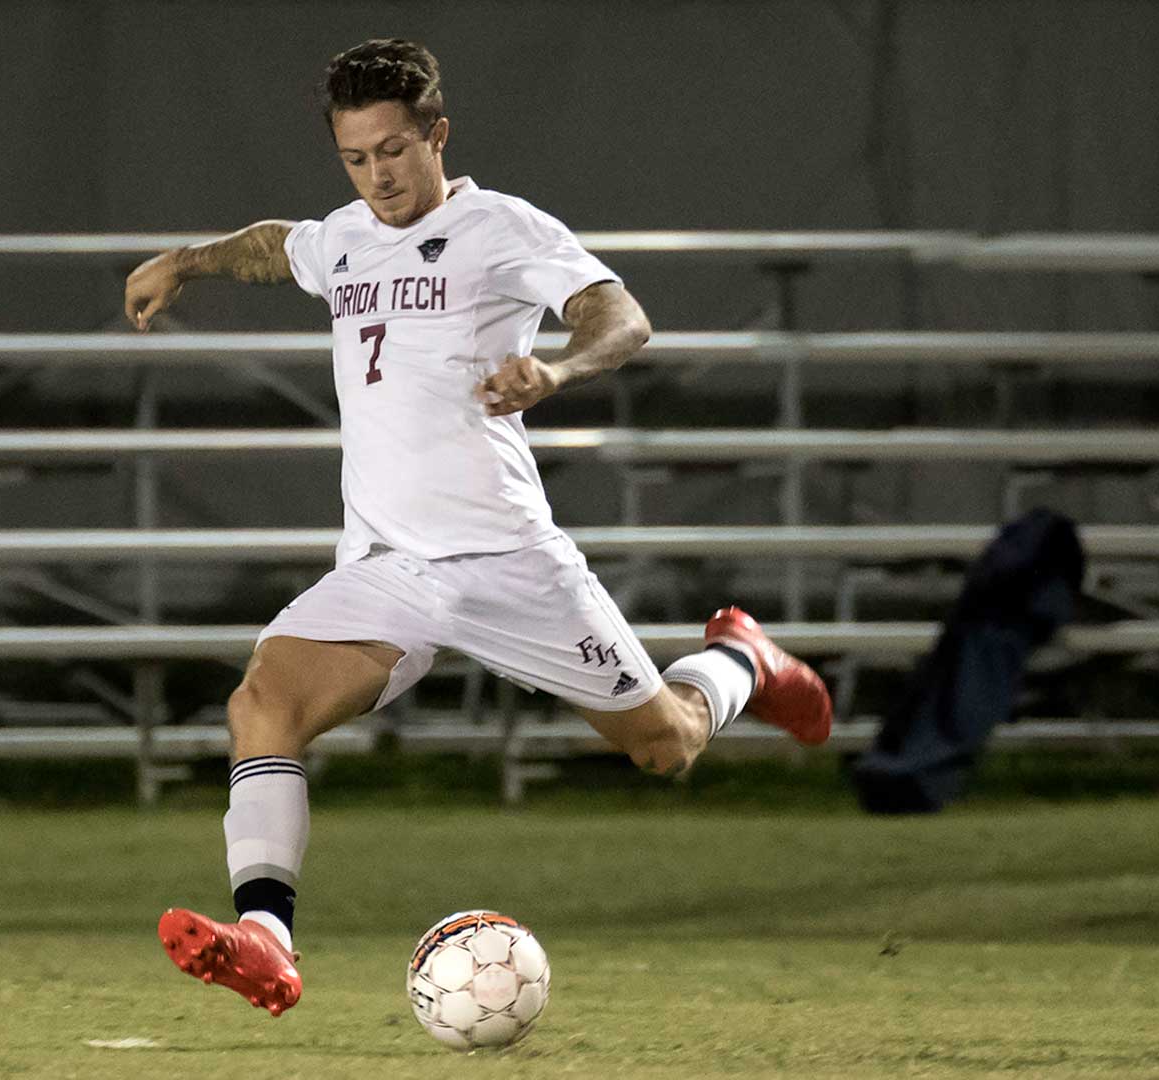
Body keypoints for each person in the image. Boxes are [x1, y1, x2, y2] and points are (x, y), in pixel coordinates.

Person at [122, 38, 832, 1017]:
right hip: (389, 567)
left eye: (394, 151)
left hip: (509, 561)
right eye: (356, 158)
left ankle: (746, 660)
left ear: (436, 135)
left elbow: (621, 317)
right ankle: (265, 939)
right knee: (263, 703)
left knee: (665, 746)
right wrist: (186, 262)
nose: (378, 177)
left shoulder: (502, 229)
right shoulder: (346, 237)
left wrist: (557, 373)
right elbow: (274, 243)